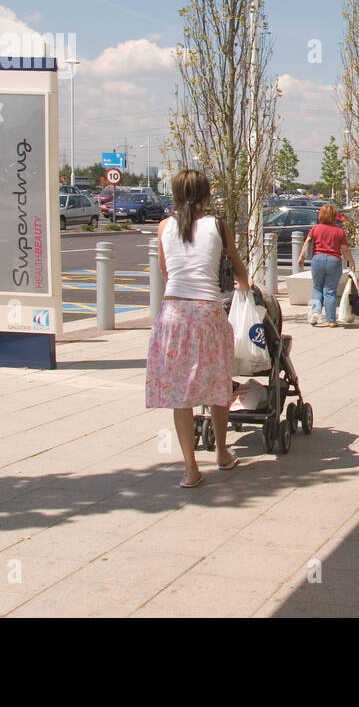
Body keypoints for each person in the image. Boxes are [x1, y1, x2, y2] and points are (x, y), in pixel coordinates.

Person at [146, 169, 249, 489]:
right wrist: (245, 286)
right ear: (207, 195)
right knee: (218, 386)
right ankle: (222, 453)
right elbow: (234, 262)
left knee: (181, 394)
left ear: (175, 195)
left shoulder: (164, 227)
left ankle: (190, 469)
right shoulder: (218, 226)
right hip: (207, 313)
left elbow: (166, 270)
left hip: (174, 313)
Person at [299, 204, 353, 327]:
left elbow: (307, 242)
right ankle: (331, 320)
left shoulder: (315, 228)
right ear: (334, 217)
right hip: (334, 261)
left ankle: (315, 314)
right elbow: (344, 249)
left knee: (317, 287)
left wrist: (301, 256)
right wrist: (352, 262)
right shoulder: (339, 231)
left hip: (317, 259)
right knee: (330, 291)